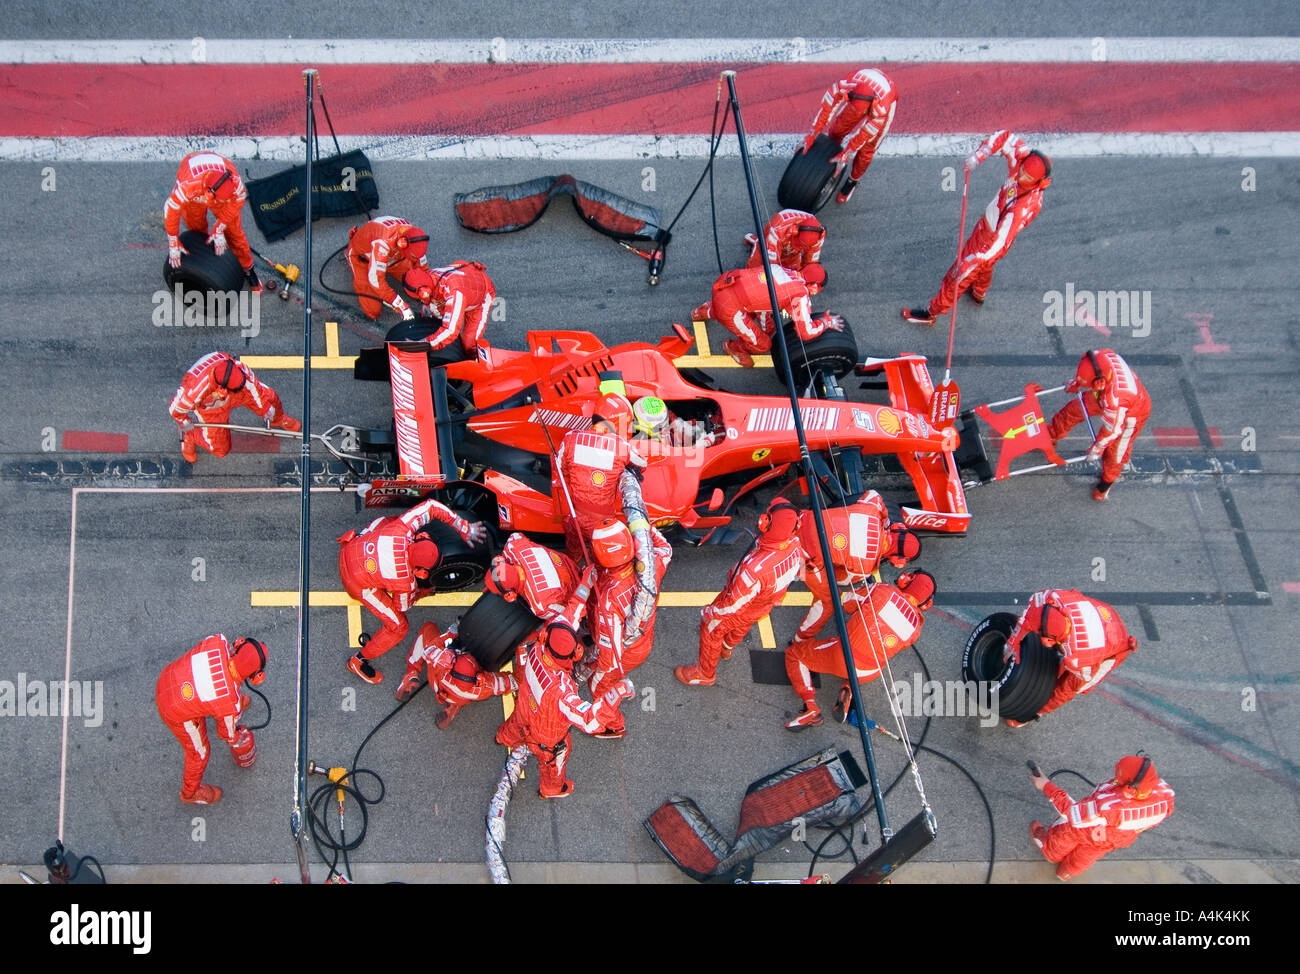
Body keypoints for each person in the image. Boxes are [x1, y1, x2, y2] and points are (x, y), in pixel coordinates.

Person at [903, 131, 1052, 325]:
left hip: (990, 240)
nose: (1021, 175)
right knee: (985, 267)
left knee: (959, 274)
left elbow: (1001, 242)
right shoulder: (1024, 162)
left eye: (1027, 176)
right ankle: (979, 292)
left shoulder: (1023, 207)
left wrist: (977, 258)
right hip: (989, 226)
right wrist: (979, 156)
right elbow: (1006, 137)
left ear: (1037, 181)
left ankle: (931, 312)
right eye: (1022, 169)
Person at [495, 597, 635, 799]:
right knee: (555, 760)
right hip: (546, 737)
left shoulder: (536, 650)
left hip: (524, 711)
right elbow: (590, 721)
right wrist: (617, 692)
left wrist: (585, 585)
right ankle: (551, 789)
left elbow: (569, 616)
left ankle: (503, 738)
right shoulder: (562, 691)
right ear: (576, 654)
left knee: (512, 727)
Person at [338, 498, 488, 684]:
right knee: (399, 627)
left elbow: (431, 506)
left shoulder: (402, 529)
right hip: (354, 582)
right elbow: (402, 606)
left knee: (391, 521)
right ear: (421, 572)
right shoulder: (406, 582)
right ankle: (358, 661)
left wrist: (462, 526)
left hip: (350, 546)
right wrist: (422, 592)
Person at [675, 500, 806, 687]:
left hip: (744, 601)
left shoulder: (753, 570)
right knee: (743, 625)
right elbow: (800, 571)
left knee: (711, 628)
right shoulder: (794, 544)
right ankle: (727, 648)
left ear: (765, 523)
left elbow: (733, 606)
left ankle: (705, 672)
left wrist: (711, 614)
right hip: (764, 604)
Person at [783, 570, 935, 729]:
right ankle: (849, 687)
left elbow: (847, 603)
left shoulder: (884, 590)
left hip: (844, 656)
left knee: (794, 654)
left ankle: (810, 707)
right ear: (926, 604)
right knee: (876, 653)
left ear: (906, 580)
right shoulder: (916, 628)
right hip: (871, 672)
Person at [155, 634, 267, 805]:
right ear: (256, 678)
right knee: (199, 753)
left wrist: (232, 704)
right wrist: (238, 739)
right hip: (174, 711)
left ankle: (217, 707)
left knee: (221, 704)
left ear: (239, 644)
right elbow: (226, 734)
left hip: (167, 677)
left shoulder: (219, 640)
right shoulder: (230, 706)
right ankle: (189, 793)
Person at [795, 491, 921, 641]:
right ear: (897, 560)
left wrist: (885, 521)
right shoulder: (865, 568)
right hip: (800, 556)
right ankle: (800, 639)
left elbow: (874, 494)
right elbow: (837, 579)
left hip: (800, 519)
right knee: (828, 602)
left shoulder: (872, 510)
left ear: (898, 528)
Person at [587, 517, 672, 739]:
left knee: (597, 688)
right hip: (644, 640)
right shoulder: (651, 566)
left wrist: (591, 664)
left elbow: (609, 658)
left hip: (626, 652)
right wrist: (645, 527)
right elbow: (665, 548)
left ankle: (614, 726)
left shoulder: (608, 601)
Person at [1003, 588, 1138, 727]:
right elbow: (1027, 616)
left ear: (1048, 641)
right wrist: (1012, 643)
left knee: (1068, 688)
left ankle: (1032, 713)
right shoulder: (1052, 597)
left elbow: (1085, 676)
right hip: (1104, 613)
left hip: (1115, 645)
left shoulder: (1078, 658)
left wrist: (1045, 683)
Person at [1028, 755, 1174, 881]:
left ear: (1130, 788)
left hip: (1087, 830)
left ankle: (1050, 852)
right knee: (1086, 856)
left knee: (1064, 835)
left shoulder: (1109, 807)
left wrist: (1046, 786)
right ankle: (1066, 873)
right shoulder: (1166, 794)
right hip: (1114, 839)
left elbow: (1072, 813)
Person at [1048, 350, 1152, 501]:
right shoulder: (1102, 356)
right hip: (1106, 393)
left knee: (1116, 451)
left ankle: (1106, 484)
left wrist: (1096, 449)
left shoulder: (1114, 400)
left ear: (1099, 383)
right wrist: (1078, 383)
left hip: (1131, 413)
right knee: (1073, 410)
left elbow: (1112, 431)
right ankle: (1052, 434)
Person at [554, 391, 647, 558]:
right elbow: (642, 463)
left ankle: (572, 572)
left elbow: (560, 468)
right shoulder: (621, 446)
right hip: (602, 522)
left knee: (573, 553)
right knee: (602, 559)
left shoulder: (570, 438)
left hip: (573, 516)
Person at [691, 264, 838, 367]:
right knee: (764, 344)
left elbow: (764, 298)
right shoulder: (800, 296)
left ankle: (704, 310)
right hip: (731, 308)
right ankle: (734, 348)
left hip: (725, 283)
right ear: (814, 286)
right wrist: (826, 322)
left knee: (767, 324)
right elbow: (805, 332)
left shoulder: (780, 268)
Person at [169, 352, 301, 463]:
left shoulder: (239, 369)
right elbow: (174, 410)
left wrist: (265, 408)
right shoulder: (193, 393)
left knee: (270, 397)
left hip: (236, 394)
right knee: (220, 450)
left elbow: (252, 386)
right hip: (212, 409)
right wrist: (185, 422)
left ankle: (277, 418)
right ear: (221, 388)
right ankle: (189, 435)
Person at [164, 151, 260, 293]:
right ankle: (201, 262)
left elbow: (237, 201)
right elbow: (170, 210)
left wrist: (219, 228)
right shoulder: (186, 187)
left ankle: (248, 269)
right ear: (209, 193)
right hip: (195, 194)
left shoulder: (235, 184)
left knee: (234, 233)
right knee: (196, 228)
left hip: (221, 196)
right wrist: (173, 242)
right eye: (221, 199)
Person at [393, 622, 517, 728]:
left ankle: (411, 672)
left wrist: (450, 633)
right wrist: (521, 650)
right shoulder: (483, 687)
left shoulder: (444, 662)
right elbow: (515, 681)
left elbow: (430, 650)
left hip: (437, 685)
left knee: (428, 627)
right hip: (461, 697)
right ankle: (453, 706)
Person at [802, 68, 897, 205]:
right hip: (862, 94)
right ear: (850, 96)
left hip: (887, 97)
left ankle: (853, 181)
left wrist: (847, 153)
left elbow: (865, 134)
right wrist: (813, 134)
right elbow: (826, 109)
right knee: (836, 130)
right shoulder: (842, 86)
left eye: (862, 112)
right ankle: (829, 155)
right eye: (857, 111)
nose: (860, 115)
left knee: (866, 150)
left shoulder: (882, 109)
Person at [345, 216, 431, 321]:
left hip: (393, 259)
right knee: (373, 310)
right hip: (363, 259)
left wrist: (427, 295)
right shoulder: (383, 242)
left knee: (416, 282)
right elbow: (375, 280)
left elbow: (423, 268)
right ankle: (349, 251)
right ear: (402, 244)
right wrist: (399, 304)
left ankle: (391, 264)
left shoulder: (414, 237)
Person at [403, 260, 496, 355]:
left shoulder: (454, 293)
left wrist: (425, 344)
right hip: (463, 276)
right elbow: (429, 305)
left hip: (482, 294)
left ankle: (474, 362)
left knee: (469, 344)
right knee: (433, 318)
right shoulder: (428, 278)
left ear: (423, 292)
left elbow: (451, 331)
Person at [745, 209, 826, 274]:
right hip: (772, 240)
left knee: (795, 273)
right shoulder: (778, 229)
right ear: (795, 231)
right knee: (754, 271)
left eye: (805, 247)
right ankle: (757, 242)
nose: (801, 249)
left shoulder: (818, 235)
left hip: (790, 252)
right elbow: (771, 264)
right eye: (800, 245)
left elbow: (810, 264)